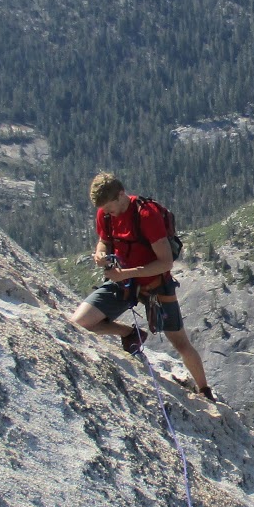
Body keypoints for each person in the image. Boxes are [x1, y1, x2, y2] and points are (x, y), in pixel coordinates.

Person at [68, 172, 214, 402]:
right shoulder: (105, 214)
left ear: (121, 194)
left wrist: (125, 273)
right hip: (122, 281)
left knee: (180, 342)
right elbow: (104, 240)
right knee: (79, 324)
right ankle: (129, 333)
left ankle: (204, 390)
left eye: (110, 207)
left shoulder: (147, 215)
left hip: (154, 284)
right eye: (103, 209)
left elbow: (165, 262)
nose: (107, 213)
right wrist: (100, 253)